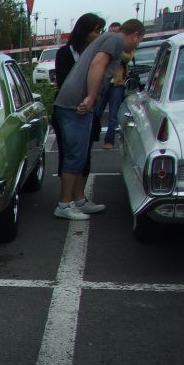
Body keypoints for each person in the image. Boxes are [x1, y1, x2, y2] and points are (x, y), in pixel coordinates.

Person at [52, 18, 145, 221]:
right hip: (75, 105)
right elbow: (98, 64)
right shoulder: (115, 41)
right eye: (139, 41)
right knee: (75, 155)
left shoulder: (108, 39)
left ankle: (77, 200)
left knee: (81, 155)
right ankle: (64, 204)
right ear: (135, 35)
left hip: (76, 104)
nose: (136, 46)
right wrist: (91, 97)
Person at [53, 14, 105, 179]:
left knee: (84, 153)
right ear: (85, 31)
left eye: (100, 31)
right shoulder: (65, 53)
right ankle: (66, 199)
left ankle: (80, 197)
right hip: (68, 110)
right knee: (69, 153)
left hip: (89, 110)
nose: (98, 35)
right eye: (96, 31)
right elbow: (63, 82)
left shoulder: (97, 55)